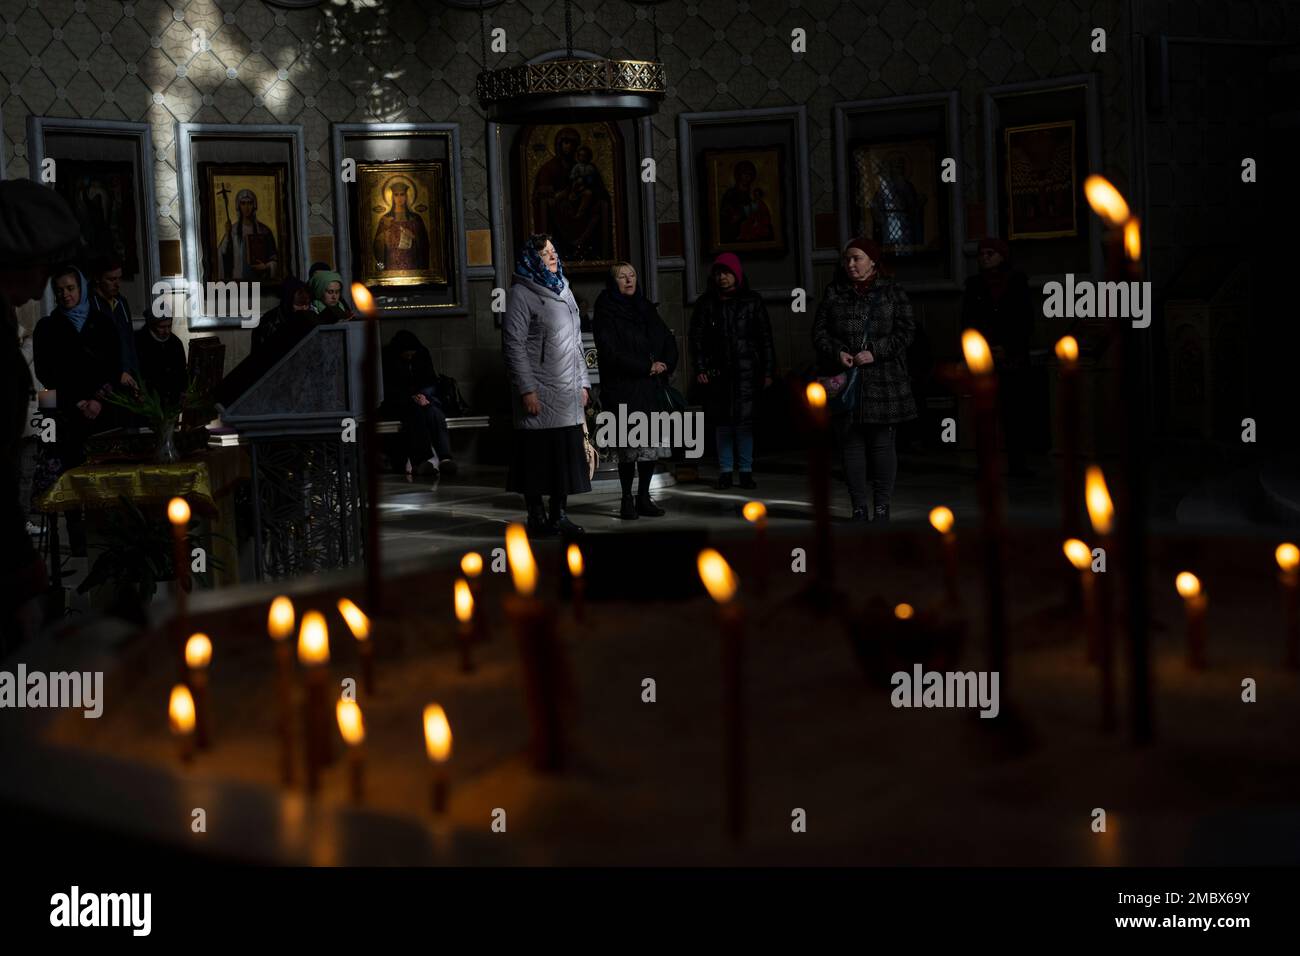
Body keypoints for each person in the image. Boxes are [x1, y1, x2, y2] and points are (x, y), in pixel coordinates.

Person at [0, 179, 80, 650]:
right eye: (47, 265)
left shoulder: (12, 321)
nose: (54, 283)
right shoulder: (36, 329)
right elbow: (41, 380)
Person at [811, 237, 917, 522]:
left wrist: (875, 352)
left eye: (857, 258)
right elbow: (819, 333)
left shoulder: (892, 292)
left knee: (883, 445)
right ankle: (859, 506)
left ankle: (882, 506)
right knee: (851, 446)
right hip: (846, 381)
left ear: (872, 261)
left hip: (884, 380)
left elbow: (907, 332)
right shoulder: (834, 292)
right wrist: (839, 352)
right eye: (847, 259)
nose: (851, 264)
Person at [501, 234, 591, 537]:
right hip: (539, 390)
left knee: (563, 456)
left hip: (566, 390)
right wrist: (527, 389)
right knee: (537, 458)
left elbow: (576, 343)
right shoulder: (520, 294)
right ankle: (536, 515)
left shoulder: (564, 288)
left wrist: (584, 383)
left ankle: (559, 515)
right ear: (531, 259)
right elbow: (513, 345)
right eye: (544, 254)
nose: (552, 257)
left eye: (553, 251)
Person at [32, 266, 123, 554]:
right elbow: (47, 373)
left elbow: (114, 366)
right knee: (69, 473)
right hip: (67, 413)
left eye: (70, 288)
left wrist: (97, 400)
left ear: (80, 289)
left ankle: (109, 537)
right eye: (60, 290)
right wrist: (76, 402)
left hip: (102, 411)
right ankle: (77, 536)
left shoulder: (102, 322)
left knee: (103, 474)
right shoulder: (48, 327)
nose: (65, 294)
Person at [592, 261, 678, 519]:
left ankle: (644, 497)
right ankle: (627, 498)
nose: (629, 280)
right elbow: (609, 352)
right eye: (622, 277)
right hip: (623, 387)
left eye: (632, 275)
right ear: (613, 282)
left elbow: (668, 340)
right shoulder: (606, 310)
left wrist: (665, 364)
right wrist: (645, 367)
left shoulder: (645, 307)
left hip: (650, 386)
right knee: (628, 448)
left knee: (650, 446)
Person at [688, 252, 775, 490]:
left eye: (726, 273)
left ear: (736, 274)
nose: (722, 278)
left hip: (748, 372)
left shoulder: (752, 301)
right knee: (722, 423)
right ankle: (726, 471)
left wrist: (768, 372)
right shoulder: (706, 304)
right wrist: (701, 367)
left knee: (745, 423)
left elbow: (765, 338)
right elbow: (696, 339)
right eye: (718, 273)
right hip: (718, 373)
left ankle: (745, 471)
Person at [961, 238, 1035, 476]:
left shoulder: (1016, 281)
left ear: (1002, 256)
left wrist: (1008, 347)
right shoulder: (973, 285)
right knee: (985, 414)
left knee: (1014, 413)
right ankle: (987, 465)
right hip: (982, 357)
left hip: (1011, 357)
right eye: (982, 254)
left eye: (990, 253)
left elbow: (1024, 320)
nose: (985, 257)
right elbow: (967, 321)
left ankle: (1017, 464)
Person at [381, 330, 457, 479]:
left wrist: (423, 396)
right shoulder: (388, 358)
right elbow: (389, 387)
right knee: (416, 415)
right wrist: (412, 397)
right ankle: (425, 459)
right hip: (401, 401)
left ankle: (444, 458)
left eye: (412, 355)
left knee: (435, 413)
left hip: (424, 397)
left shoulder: (422, 355)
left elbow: (430, 380)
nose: (410, 358)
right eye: (407, 355)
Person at [87, 256, 140, 394]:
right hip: (104, 382)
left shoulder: (121, 302)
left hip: (127, 376)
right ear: (98, 279)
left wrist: (132, 372)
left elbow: (128, 340)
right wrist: (117, 373)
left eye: (119, 278)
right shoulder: (90, 305)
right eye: (111, 279)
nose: (117, 284)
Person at [217, 187, 278, 281]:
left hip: (259, 281)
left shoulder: (264, 231)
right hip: (237, 280)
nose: (246, 207)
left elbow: (274, 259)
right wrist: (227, 235)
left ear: (254, 205)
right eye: (243, 203)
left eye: (249, 203)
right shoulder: (233, 230)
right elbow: (222, 254)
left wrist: (266, 266)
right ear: (239, 206)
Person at [134, 309, 189, 410]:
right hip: (147, 402)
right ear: (152, 325)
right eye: (162, 327)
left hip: (171, 401)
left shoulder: (175, 343)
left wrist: (183, 391)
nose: (167, 331)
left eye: (169, 326)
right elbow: (135, 371)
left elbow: (182, 371)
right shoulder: (138, 341)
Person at [372, 181, 430, 274]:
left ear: (406, 197)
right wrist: (384, 236)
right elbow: (377, 246)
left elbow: (424, 245)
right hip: (391, 265)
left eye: (402, 195)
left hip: (411, 264)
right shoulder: (385, 219)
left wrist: (414, 237)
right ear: (392, 197)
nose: (399, 198)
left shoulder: (416, 218)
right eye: (396, 195)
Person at [252, 276, 312, 353]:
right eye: (300, 304)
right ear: (289, 302)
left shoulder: (306, 319)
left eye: (307, 305)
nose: (304, 308)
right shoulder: (269, 323)